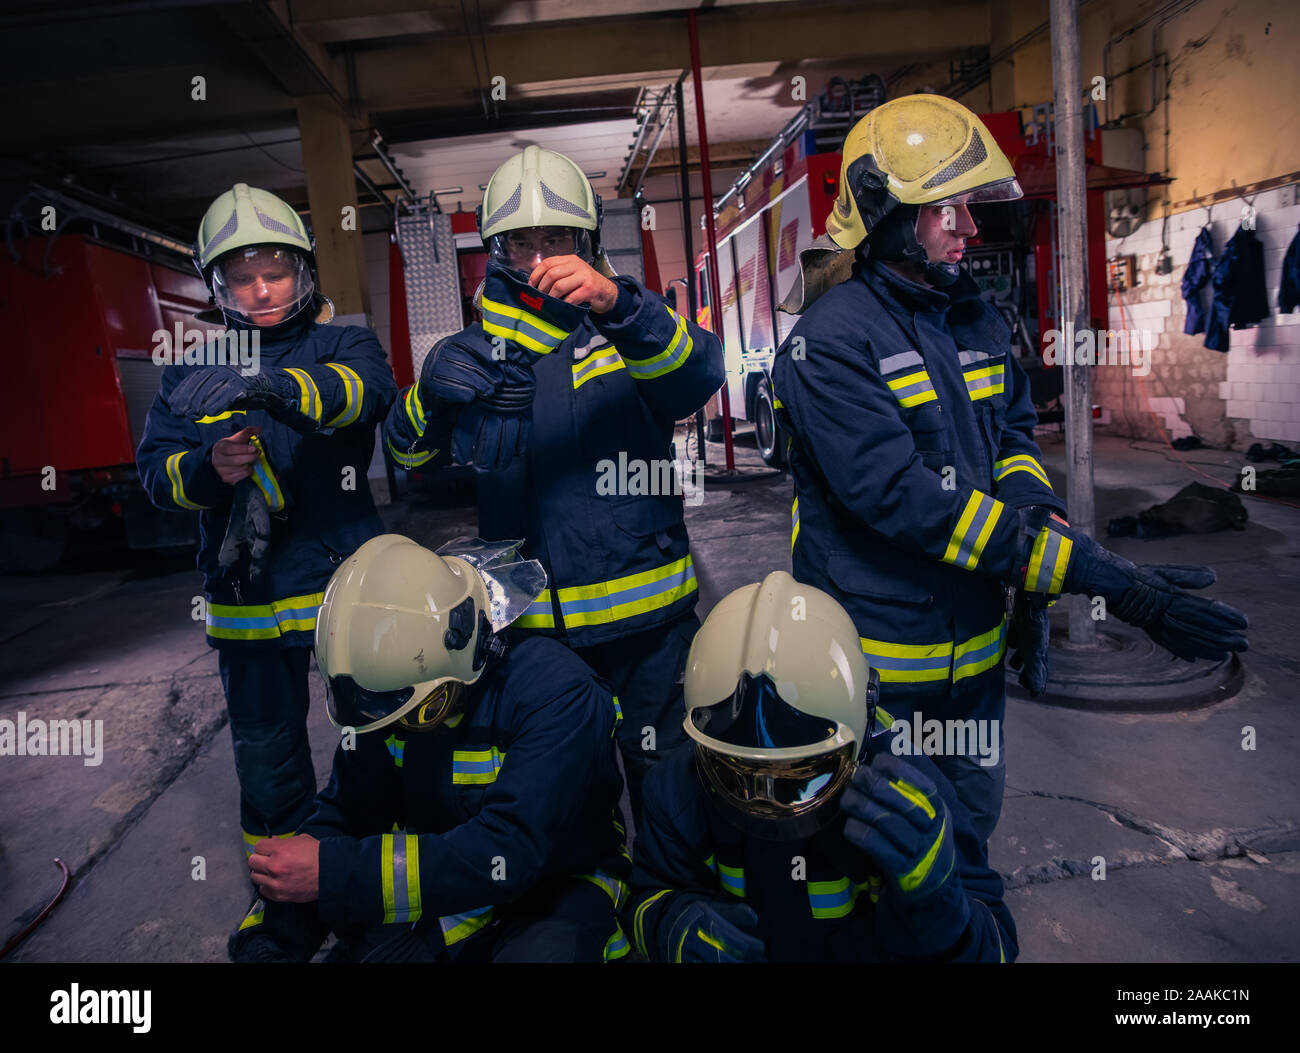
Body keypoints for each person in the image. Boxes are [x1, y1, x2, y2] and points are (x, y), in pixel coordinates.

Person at [771, 95, 1248, 843]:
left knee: (969, 837)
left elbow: (1014, 438)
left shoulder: (970, 316)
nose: (969, 227)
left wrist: (1036, 522)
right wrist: (1098, 574)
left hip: (977, 659)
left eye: (967, 207)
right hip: (878, 671)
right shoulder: (831, 342)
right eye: (945, 210)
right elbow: (904, 499)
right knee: (890, 858)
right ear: (884, 212)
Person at [383, 146, 724, 825]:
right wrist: (430, 396)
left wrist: (620, 304)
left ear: (588, 241)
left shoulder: (628, 326)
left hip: (648, 624)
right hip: (537, 630)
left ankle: (668, 913)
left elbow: (699, 377)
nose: (540, 257)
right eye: (521, 241)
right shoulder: (475, 351)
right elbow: (409, 453)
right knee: (569, 787)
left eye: (557, 238)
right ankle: (596, 917)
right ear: (495, 250)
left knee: (670, 786)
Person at [136, 183, 397, 858]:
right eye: (241, 276)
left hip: (346, 587)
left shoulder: (347, 342)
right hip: (246, 598)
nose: (259, 290)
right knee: (266, 750)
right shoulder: (187, 375)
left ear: (303, 271)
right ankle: (284, 886)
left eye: (274, 271)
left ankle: (366, 867)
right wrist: (205, 470)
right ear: (216, 285)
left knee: (378, 732)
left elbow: (360, 397)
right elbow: (155, 475)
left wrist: (272, 388)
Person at [227, 534, 631, 963]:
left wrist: (335, 874)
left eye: (418, 711)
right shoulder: (387, 690)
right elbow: (349, 811)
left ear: (469, 649)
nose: (402, 727)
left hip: (557, 883)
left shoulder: (561, 696)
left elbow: (509, 852)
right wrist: (273, 932)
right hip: (448, 886)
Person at [625, 572, 1017, 963]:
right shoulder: (675, 790)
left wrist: (940, 906)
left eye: (803, 773)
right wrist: (671, 927)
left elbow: (997, 949)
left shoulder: (910, 800)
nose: (771, 800)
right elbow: (646, 898)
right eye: (741, 771)